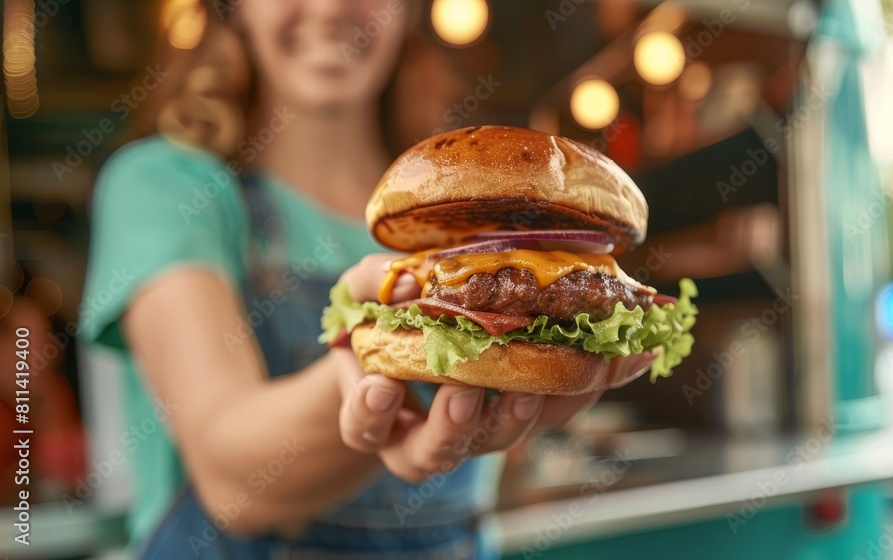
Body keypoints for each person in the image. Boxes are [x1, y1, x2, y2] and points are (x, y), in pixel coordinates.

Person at [81, 1, 655, 558]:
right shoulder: (164, 186)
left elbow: (484, 483)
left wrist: (514, 412)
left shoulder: (462, 198)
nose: (331, 8)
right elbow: (236, 487)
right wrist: (376, 361)